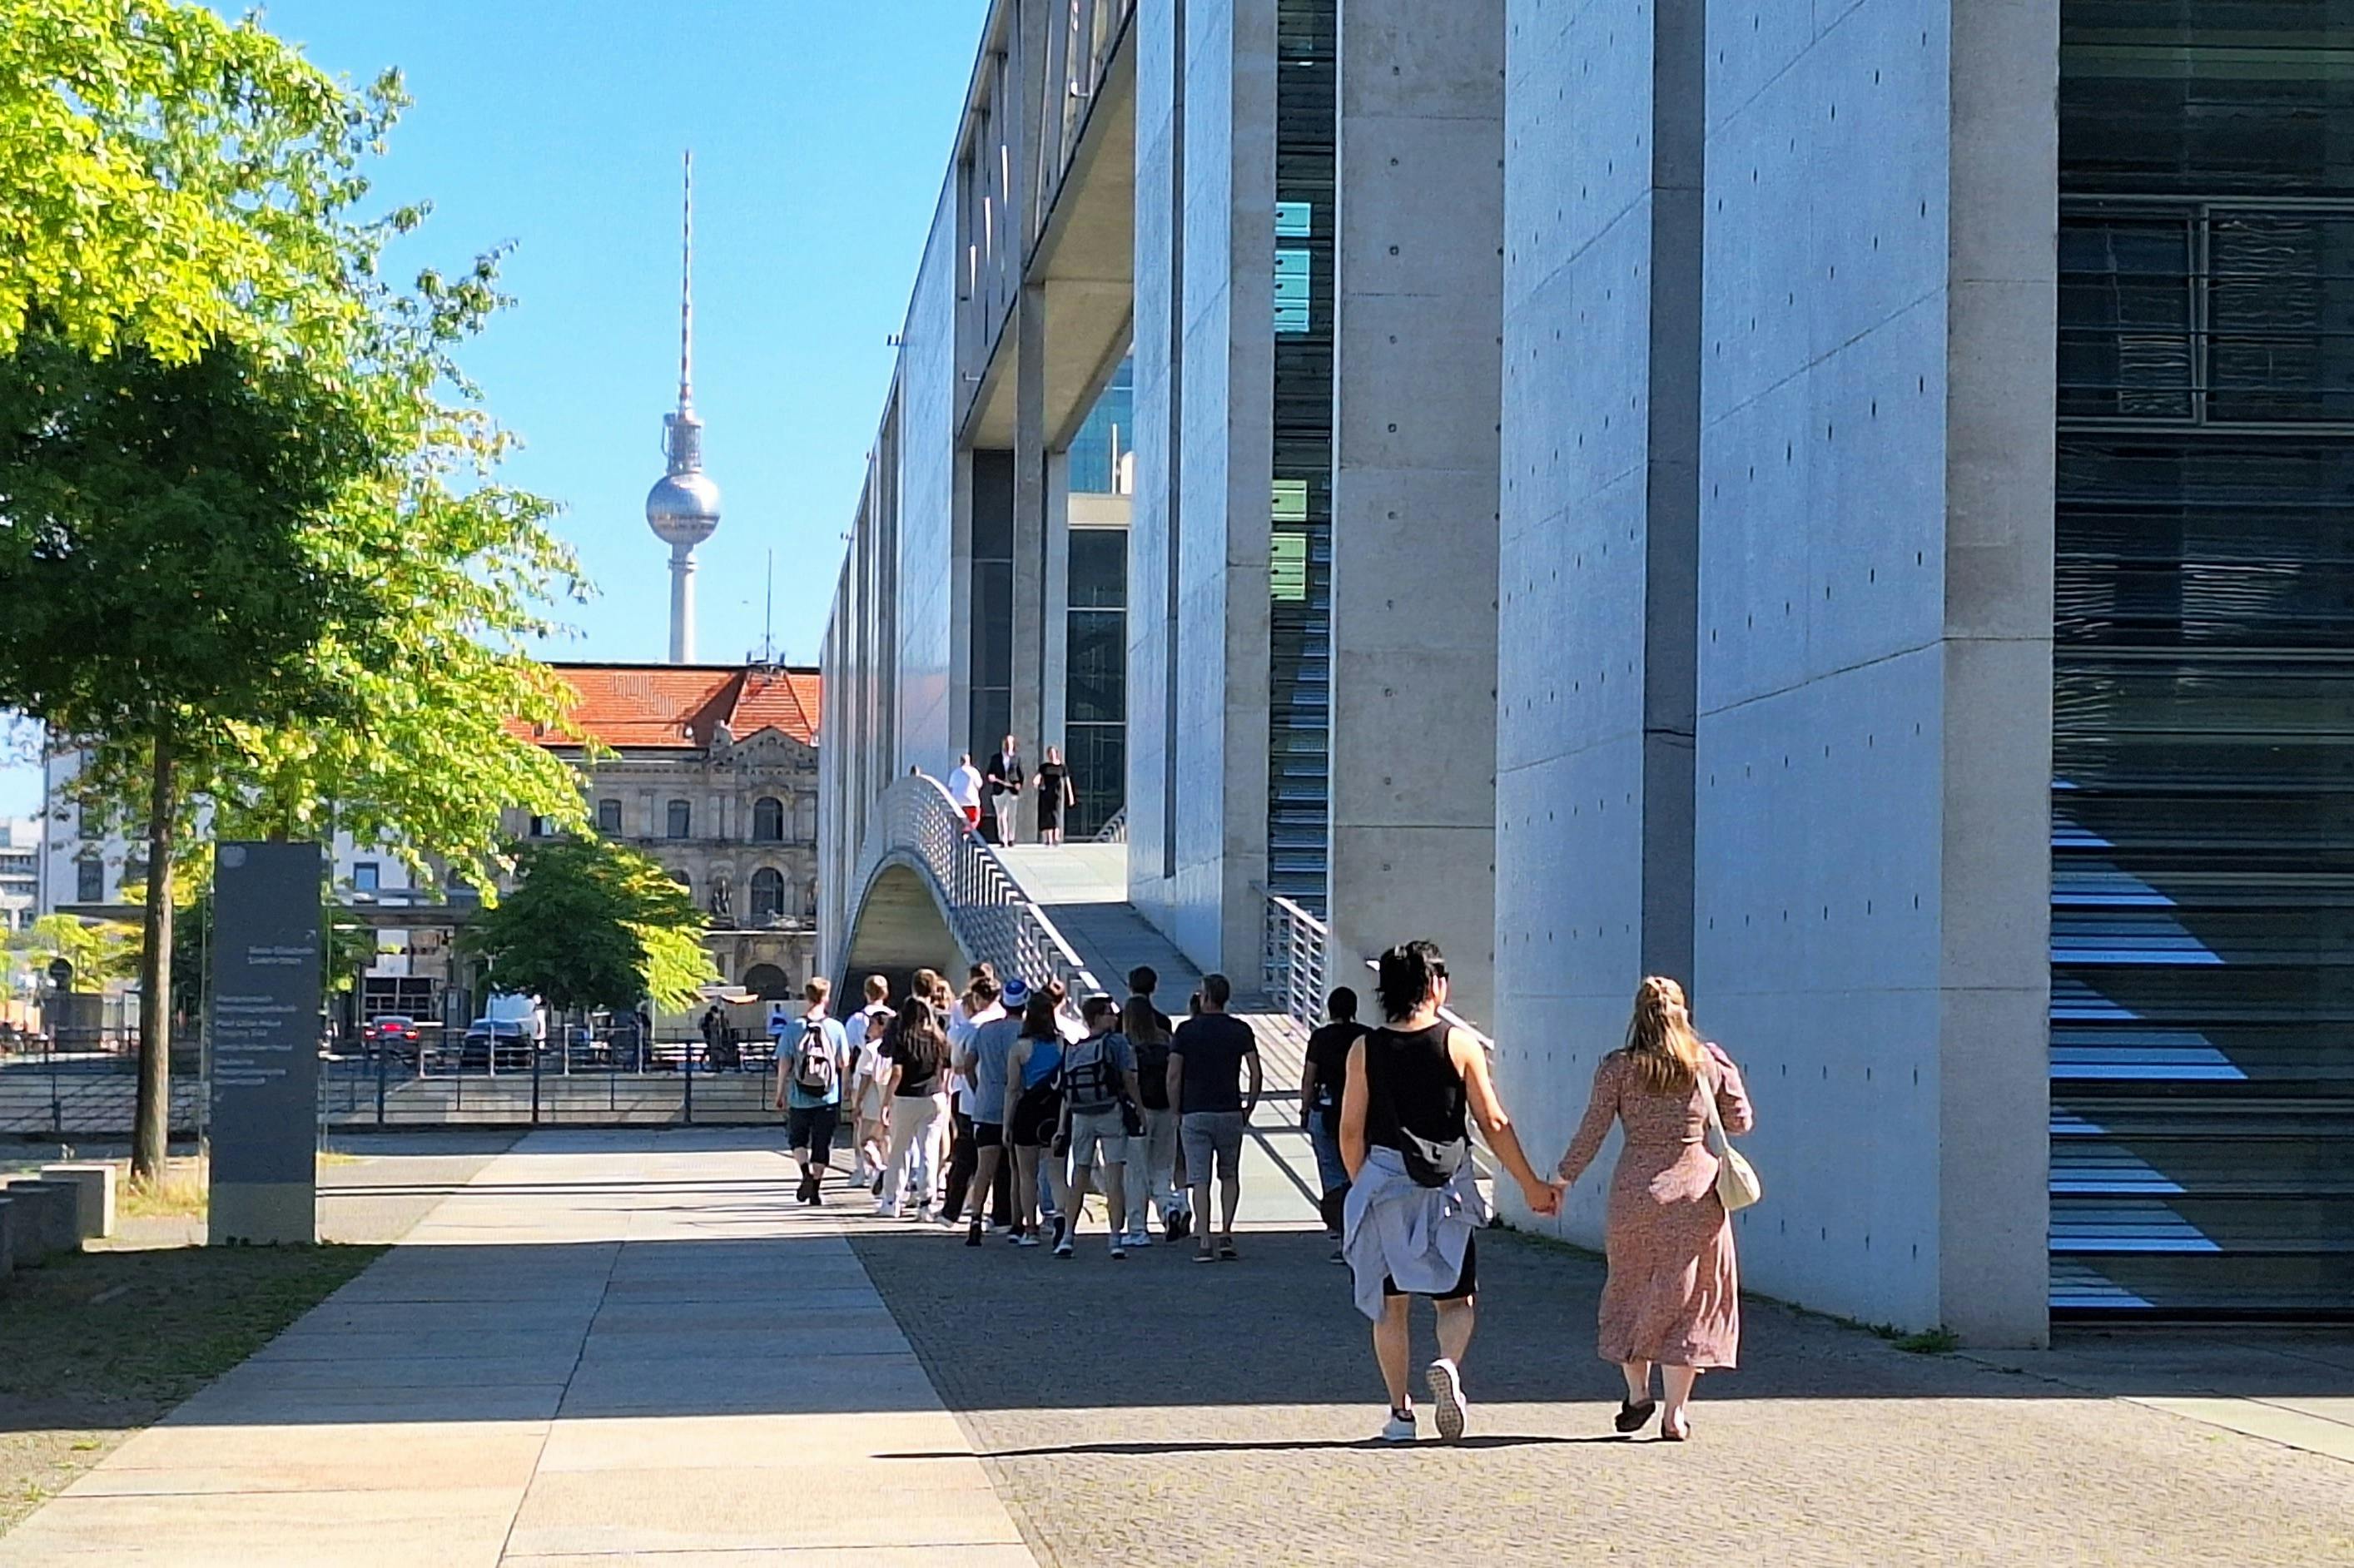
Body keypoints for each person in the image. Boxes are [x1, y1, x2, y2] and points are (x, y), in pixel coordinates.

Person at [1341, 940, 1559, 1444]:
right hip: (1448, 1188)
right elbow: (1493, 1121)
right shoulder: (1458, 1044)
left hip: (1386, 1184)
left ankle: (1399, 1416)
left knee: (1390, 1305)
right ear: (1435, 986)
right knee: (1456, 1298)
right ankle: (1448, 1365)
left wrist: (1363, 1184)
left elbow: (1351, 1130)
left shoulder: (1364, 1049)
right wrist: (1531, 1186)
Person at [1552, 975, 1754, 1443]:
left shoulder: (1618, 1069)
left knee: (1630, 1290)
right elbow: (1740, 1122)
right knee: (1689, 1300)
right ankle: (1675, 1415)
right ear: (1682, 1012)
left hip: (1635, 1194)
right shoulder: (1706, 1063)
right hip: (1697, 1196)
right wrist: (1726, 1074)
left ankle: (1638, 1392)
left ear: (1637, 1016)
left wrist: (1560, 1181)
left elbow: (1592, 1131)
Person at [1167, 973, 1259, 1263]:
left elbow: (1173, 1075)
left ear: (1205, 997)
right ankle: (1227, 1233)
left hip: (1195, 1111)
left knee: (1199, 1178)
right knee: (1229, 1174)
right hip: (1230, 1109)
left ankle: (1204, 1239)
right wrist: (1249, 1107)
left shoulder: (1185, 1032)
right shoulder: (1240, 1030)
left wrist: (1176, 1110)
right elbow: (1256, 1072)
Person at [1054, 994, 1142, 1258]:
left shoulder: (1076, 1047)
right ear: (1097, 1017)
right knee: (1115, 1177)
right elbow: (1128, 1078)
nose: (1115, 1017)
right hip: (1110, 1111)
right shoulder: (1116, 1043)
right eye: (1109, 1013)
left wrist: (1062, 1125)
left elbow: (1066, 1091)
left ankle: (1068, 1236)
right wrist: (1138, 1108)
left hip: (1081, 1114)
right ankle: (1115, 1238)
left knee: (1079, 1175)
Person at [961, 975, 1028, 1244]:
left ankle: (976, 1217)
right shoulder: (1025, 1032)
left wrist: (979, 1088)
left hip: (987, 1103)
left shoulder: (985, 1029)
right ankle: (1015, 1222)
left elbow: (968, 1064)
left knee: (984, 1168)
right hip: (1017, 1105)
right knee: (1017, 1167)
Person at [1301, 986, 1368, 1259]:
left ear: (1330, 1009)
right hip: (1361, 1112)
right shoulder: (1366, 1037)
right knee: (1360, 1173)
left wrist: (1304, 1108)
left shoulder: (1321, 1037)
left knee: (1332, 1173)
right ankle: (1362, 1232)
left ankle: (1343, 1236)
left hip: (1326, 1110)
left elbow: (1309, 1077)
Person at [774, 979, 852, 1205]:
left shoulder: (793, 1028)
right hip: (828, 1096)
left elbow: (784, 1063)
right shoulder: (836, 1028)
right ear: (826, 997)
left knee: (797, 1139)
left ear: (807, 998)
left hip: (799, 1096)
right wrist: (845, 1087)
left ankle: (805, 1173)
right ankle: (816, 1189)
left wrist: (780, 1092)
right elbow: (844, 1062)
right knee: (822, 1143)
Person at [876, 995, 952, 1221]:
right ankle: (927, 1203)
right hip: (935, 1096)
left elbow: (897, 1073)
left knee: (900, 1150)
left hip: (907, 1097)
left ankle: (892, 1201)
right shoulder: (939, 1039)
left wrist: (886, 1102)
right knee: (929, 1150)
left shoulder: (903, 1039)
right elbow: (948, 1069)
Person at [1120, 996, 1186, 1245]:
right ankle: (1170, 1208)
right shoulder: (1166, 1040)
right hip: (1167, 1110)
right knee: (1162, 1169)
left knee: (1136, 1172)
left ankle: (1137, 1228)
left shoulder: (1128, 1044)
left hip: (1140, 1112)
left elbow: (1129, 1080)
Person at [941, 970, 1004, 1227]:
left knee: (964, 1158)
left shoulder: (969, 1028)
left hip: (971, 1100)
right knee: (1004, 1164)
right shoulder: (1010, 1023)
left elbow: (957, 1064)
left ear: (977, 998)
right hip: (1005, 1100)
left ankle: (952, 1211)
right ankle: (1002, 1215)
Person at [1005, 990, 1066, 1248]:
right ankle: (1061, 1218)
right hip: (1055, 1109)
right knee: (1056, 1172)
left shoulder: (1020, 1048)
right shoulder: (1063, 1044)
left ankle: (1030, 1228)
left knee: (1026, 1174)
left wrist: (1007, 1124)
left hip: (1028, 1110)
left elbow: (1013, 1089)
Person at [844, 976, 895, 1187]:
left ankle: (862, 1170)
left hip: (863, 1076)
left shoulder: (857, 1019)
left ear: (866, 993)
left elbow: (848, 1054)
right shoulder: (894, 1017)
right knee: (886, 1130)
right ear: (886, 993)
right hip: (888, 1079)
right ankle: (888, 1166)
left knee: (861, 1127)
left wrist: (846, 1081)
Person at [1031, 745, 1078, 846]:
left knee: (1056, 814)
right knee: (1047, 815)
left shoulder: (1062, 767)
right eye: (1050, 754)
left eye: (1053, 753)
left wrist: (1071, 796)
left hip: (1058, 794)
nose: (1052, 755)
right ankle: (1049, 838)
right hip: (1046, 793)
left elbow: (1067, 782)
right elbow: (1039, 775)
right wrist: (1036, 781)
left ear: (1057, 754)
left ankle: (1056, 837)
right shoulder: (1044, 767)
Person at [985, 734, 1025, 846]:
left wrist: (1019, 784)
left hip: (1012, 790)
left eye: (1010, 743)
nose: (1008, 746)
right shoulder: (995, 758)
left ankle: (1011, 838)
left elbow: (1021, 774)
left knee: (1012, 816)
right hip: (999, 790)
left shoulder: (1017, 758)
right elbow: (990, 772)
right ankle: (1003, 838)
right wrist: (991, 777)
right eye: (1006, 743)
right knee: (1001, 815)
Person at [947, 753, 985, 830]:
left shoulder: (955, 773)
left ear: (960, 762)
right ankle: (968, 835)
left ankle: (963, 835)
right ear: (969, 761)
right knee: (974, 821)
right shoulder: (974, 771)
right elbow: (979, 784)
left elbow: (951, 787)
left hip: (957, 803)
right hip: (971, 801)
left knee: (959, 823)